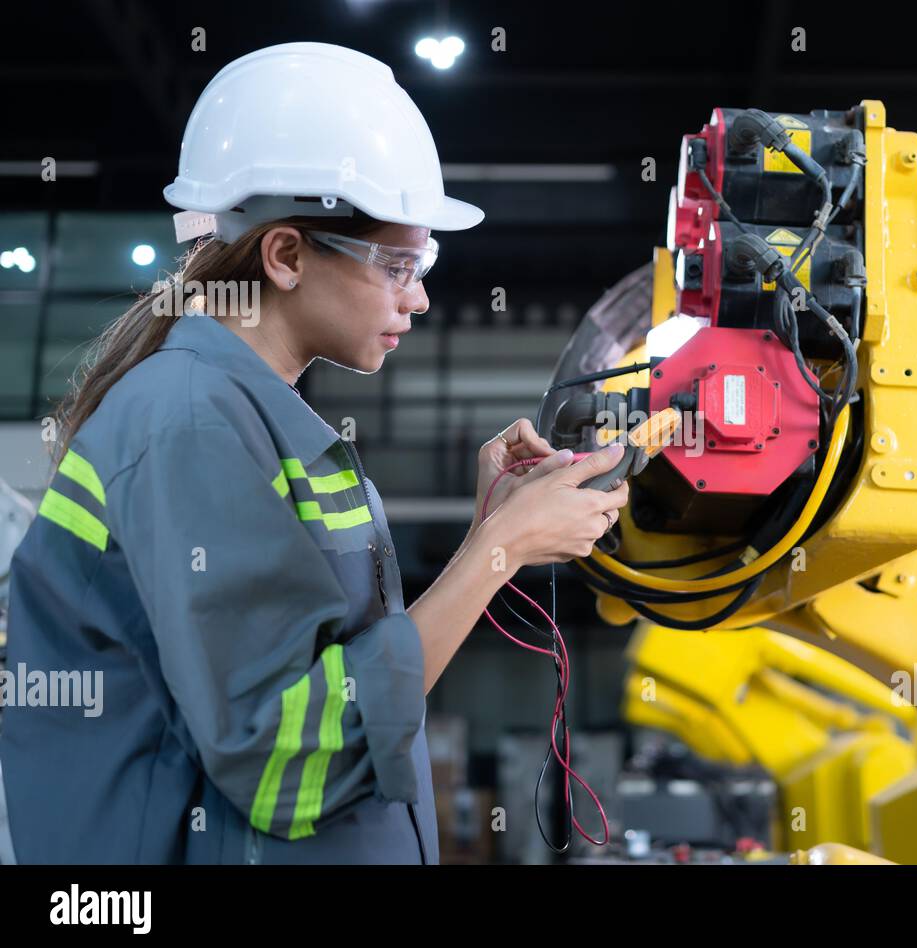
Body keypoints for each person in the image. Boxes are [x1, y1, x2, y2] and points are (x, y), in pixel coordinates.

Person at [0, 42, 628, 864]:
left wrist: (493, 527)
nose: (422, 295)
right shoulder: (190, 424)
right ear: (286, 254)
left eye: (425, 262)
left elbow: (342, 673)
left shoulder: (249, 415)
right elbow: (290, 763)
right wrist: (499, 552)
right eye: (399, 263)